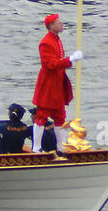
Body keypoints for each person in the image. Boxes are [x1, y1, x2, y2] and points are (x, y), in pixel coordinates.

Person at [33, 12, 81, 153]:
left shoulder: (56, 39)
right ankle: (36, 148)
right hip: (48, 84)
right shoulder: (46, 42)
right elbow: (50, 64)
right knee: (42, 115)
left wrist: (69, 61)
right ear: (52, 25)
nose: (62, 23)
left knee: (60, 116)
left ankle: (61, 147)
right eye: (59, 22)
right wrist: (69, 60)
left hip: (57, 84)